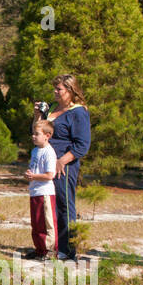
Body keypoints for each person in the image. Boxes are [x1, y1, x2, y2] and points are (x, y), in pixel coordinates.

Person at [35, 74, 91, 261]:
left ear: (71, 91)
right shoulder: (51, 108)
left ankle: (67, 249)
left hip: (63, 166)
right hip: (45, 163)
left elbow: (82, 144)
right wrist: (38, 115)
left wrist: (62, 161)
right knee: (46, 205)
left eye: (59, 89)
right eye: (55, 88)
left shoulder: (78, 112)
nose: (55, 92)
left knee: (63, 205)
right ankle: (49, 247)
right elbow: (38, 132)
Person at [24, 119, 58, 259]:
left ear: (47, 135)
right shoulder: (35, 151)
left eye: (37, 134)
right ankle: (39, 249)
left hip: (45, 193)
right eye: (33, 133)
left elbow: (50, 175)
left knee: (47, 222)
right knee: (36, 222)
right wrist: (30, 174)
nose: (33, 136)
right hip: (35, 192)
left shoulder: (49, 152)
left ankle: (50, 251)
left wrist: (34, 176)